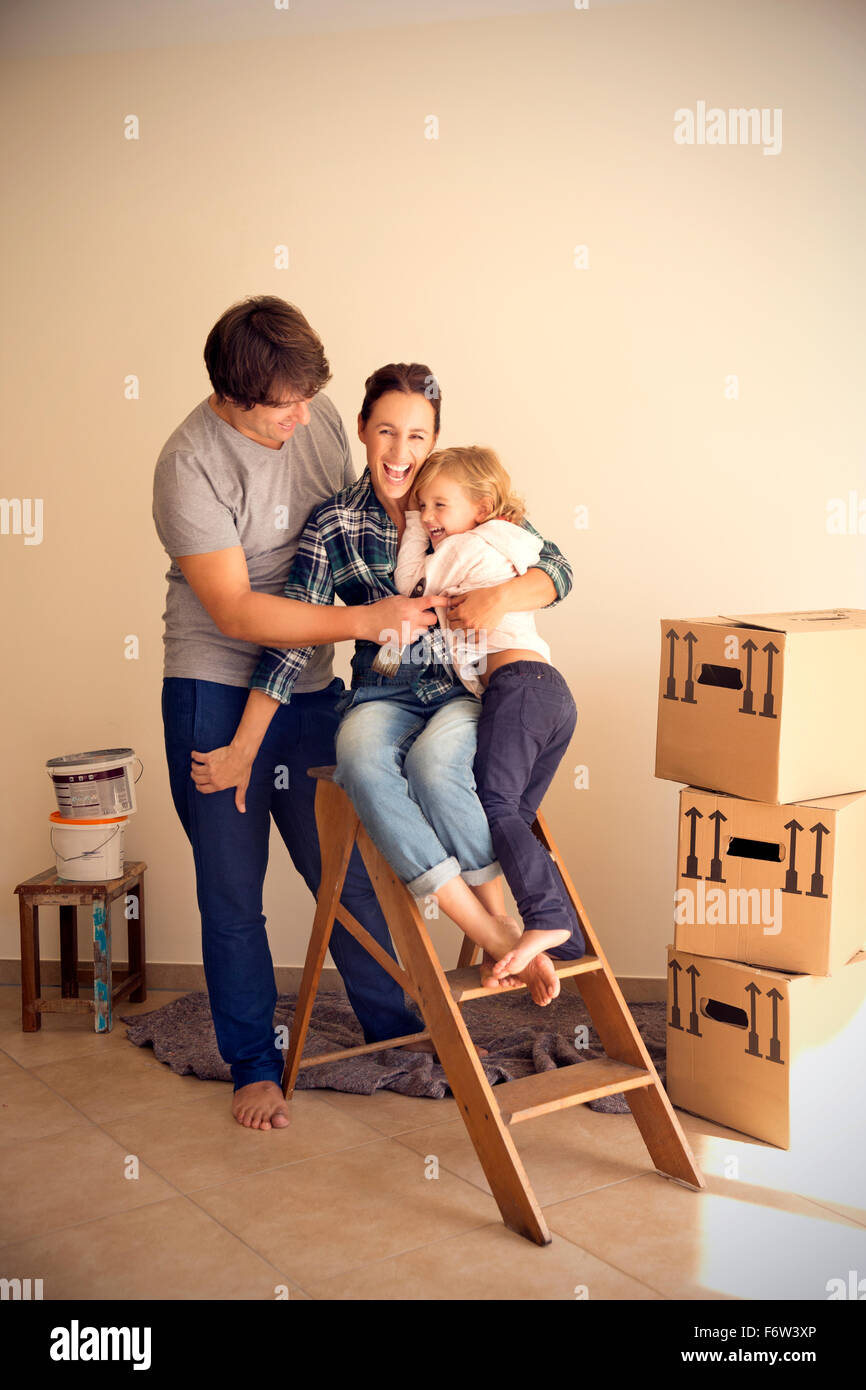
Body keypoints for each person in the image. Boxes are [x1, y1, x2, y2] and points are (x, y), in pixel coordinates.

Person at [192, 365, 574, 1005]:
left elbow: (556, 567)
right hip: (382, 693)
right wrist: (245, 745)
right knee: (360, 761)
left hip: (462, 691)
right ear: (363, 430)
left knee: (434, 767)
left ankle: (506, 914)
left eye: (417, 436)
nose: (401, 453)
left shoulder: (472, 504)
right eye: (387, 432)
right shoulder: (335, 522)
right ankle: (490, 928)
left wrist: (498, 597)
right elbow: (295, 639)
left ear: (436, 440)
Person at [153, 296, 445, 1132]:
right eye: (281, 408)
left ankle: (400, 1031)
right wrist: (363, 622)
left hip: (309, 686)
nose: (299, 420)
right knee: (232, 891)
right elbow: (240, 615)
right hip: (214, 686)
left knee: (343, 873)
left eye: (307, 401)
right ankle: (252, 1064)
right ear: (232, 395)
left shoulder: (310, 418)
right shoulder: (188, 465)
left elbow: (362, 529)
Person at [391, 445, 586, 1004]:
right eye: (423, 506)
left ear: (479, 509)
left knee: (495, 808)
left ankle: (546, 921)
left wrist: (409, 524)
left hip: (517, 690)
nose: (430, 517)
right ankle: (550, 939)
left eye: (439, 505)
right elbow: (548, 558)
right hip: (551, 694)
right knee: (512, 821)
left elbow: (410, 585)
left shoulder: (457, 549)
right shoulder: (509, 541)